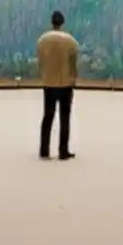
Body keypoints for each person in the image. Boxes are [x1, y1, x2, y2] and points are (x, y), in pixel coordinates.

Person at [36, 10, 79, 161]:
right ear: (62, 22)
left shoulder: (42, 40)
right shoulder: (71, 41)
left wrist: (43, 76)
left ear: (51, 22)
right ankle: (63, 151)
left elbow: (41, 62)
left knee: (48, 116)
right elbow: (73, 64)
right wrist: (74, 79)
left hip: (48, 82)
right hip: (65, 84)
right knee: (64, 117)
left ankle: (44, 150)